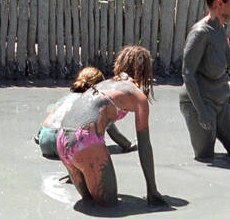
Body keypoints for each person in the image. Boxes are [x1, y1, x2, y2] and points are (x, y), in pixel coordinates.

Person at [55, 45, 165, 207]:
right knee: (109, 208)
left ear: (119, 64)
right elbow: (145, 146)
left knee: (90, 204)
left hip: (62, 139)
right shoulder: (138, 96)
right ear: (146, 72)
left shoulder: (104, 84)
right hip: (84, 144)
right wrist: (152, 190)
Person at [180, 0, 230, 160]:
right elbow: (187, 73)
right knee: (205, 157)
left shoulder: (220, 29)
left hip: (220, 99)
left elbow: (223, 70)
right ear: (219, 3)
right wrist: (201, 111)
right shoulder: (200, 33)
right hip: (199, 101)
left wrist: (228, 93)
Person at [36, 67, 132, 159]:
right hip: (63, 143)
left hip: (45, 141)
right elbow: (115, 134)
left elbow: (41, 130)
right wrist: (130, 145)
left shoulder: (66, 97)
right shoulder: (94, 102)